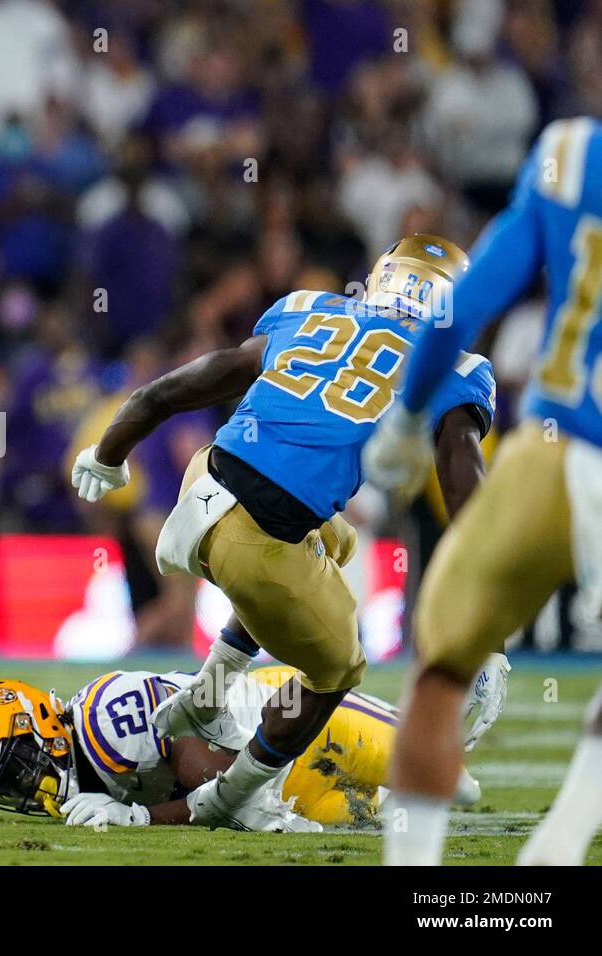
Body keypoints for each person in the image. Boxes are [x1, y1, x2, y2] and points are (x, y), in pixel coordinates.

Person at [70, 236, 496, 831]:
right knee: (340, 668)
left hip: (202, 486)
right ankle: (224, 799)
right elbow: (463, 490)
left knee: (335, 539)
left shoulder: (310, 309)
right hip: (259, 548)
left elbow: (179, 387)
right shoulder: (457, 367)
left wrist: (108, 452)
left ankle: (210, 690)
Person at [364, 117, 602, 866]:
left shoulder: (573, 153)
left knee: (440, 666)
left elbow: (461, 306)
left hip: (560, 450)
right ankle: (559, 850)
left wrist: (404, 420)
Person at [0, 659, 507, 829]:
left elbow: (215, 779)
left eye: (21, 766)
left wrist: (143, 818)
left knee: (453, 780)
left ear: (41, 721)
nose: (29, 784)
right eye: (11, 786)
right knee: (409, 822)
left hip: (297, 728)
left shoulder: (104, 721)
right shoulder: (87, 782)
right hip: (293, 799)